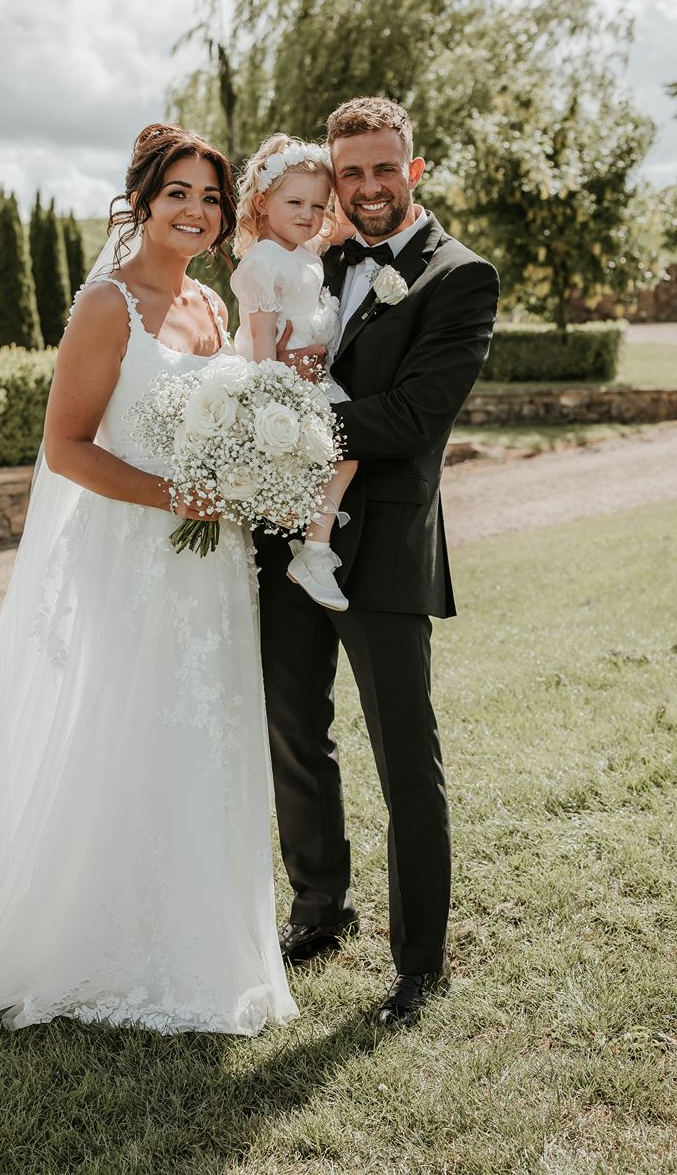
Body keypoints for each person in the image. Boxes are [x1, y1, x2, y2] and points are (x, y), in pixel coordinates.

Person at [0, 124, 297, 1036]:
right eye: (178, 193)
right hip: (134, 556)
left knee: (205, 732)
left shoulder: (214, 308)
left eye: (211, 198)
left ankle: (194, 940)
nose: (196, 211)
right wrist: (173, 495)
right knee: (125, 731)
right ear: (142, 201)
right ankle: (90, 936)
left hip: (210, 567)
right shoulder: (110, 304)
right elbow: (64, 448)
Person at [258, 97, 500, 1028]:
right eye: (349, 171)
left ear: (417, 167)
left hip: (387, 541)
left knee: (406, 755)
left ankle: (420, 962)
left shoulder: (460, 277)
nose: (365, 188)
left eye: (382, 168)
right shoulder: (313, 256)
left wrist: (273, 427)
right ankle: (320, 909)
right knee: (295, 734)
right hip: (286, 530)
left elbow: (413, 417)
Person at [229, 133, 358, 612]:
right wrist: (274, 395)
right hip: (285, 382)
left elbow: (338, 227)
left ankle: (313, 543)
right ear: (262, 203)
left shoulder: (304, 251)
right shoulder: (262, 261)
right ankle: (313, 547)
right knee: (341, 450)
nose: (309, 215)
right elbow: (261, 335)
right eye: (295, 202)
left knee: (345, 452)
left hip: (312, 377)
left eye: (318, 206)